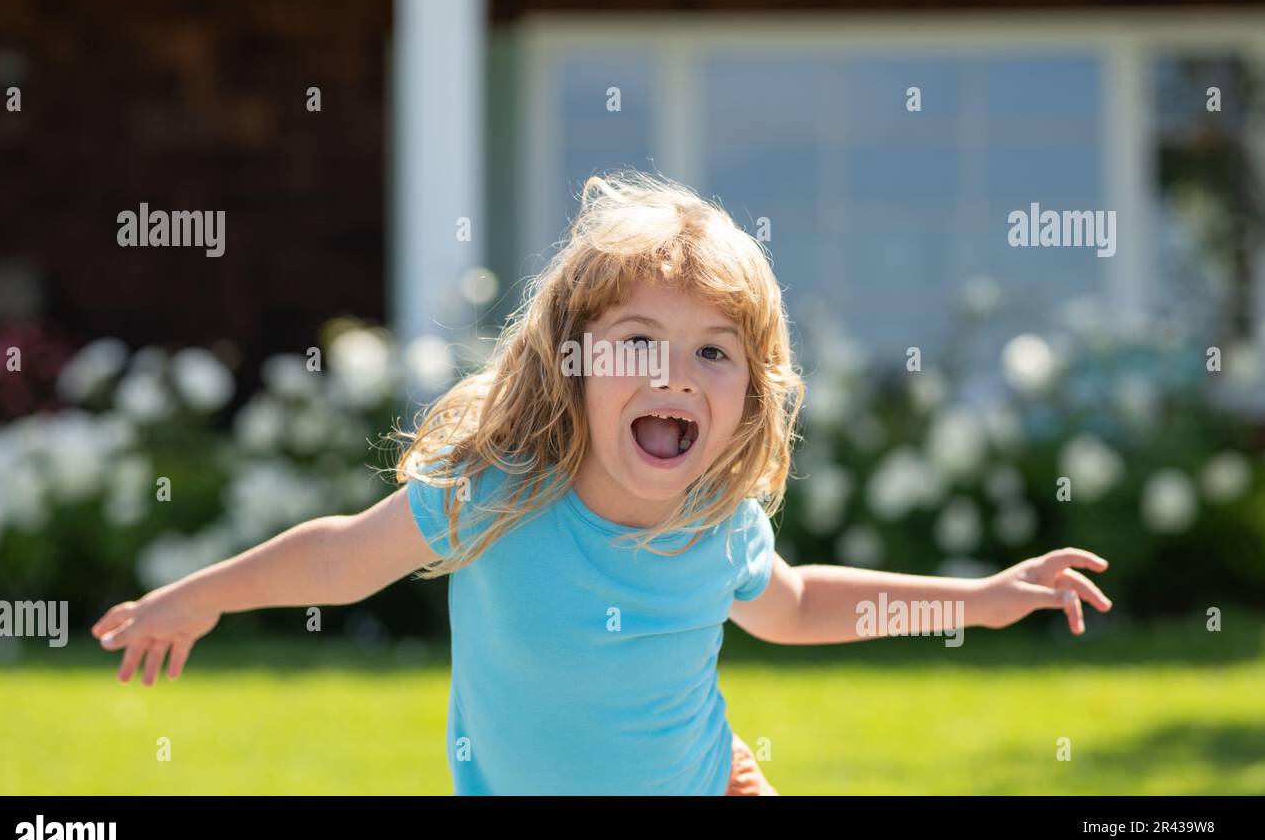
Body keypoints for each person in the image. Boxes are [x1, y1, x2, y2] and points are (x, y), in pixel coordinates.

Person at [92, 170, 1111, 795]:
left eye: (715, 352)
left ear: (751, 394)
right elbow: (342, 556)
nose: (675, 372)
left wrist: (973, 601)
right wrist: (202, 593)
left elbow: (794, 605)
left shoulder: (717, 521)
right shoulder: (499, 494)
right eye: (638, 341)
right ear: (572, 364)